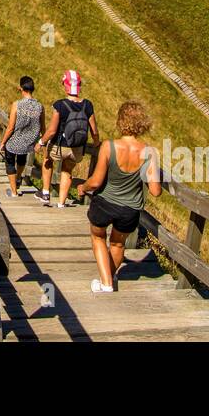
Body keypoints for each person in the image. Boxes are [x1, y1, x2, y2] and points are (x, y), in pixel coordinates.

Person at [79, 101, 161, 293]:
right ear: (142, 123)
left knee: (98, 237)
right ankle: (108, 278)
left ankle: (106, 283)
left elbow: (97, 181)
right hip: (130, 209)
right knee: (117, 243)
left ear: (121, 121)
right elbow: (156, 191)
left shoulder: (109, 147)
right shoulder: (149, 152)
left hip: (105, 203)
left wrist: (83, 186)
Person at [36, 70, 99, 208]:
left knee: (47, 159)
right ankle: (61, 203)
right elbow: (94, 130)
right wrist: (96, 144)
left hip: (59, 147)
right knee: (67, 171)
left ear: (65, 86)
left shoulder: (59, 105)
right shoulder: (87, 105)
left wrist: (41, 142)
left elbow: (52, 130)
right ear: (79, 85)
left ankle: (45, 193)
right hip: (77, 149)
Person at [0, 76, 43, 196]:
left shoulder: (17, 104)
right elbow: (42, 127)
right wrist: (41, 142)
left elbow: (11, 127)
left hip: (14, 140)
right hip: (29, 142)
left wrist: (3, 142)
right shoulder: (40, 106)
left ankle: (14, 191)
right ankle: (18, 178)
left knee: (10, 162)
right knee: (22, 159)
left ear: (21, 88)